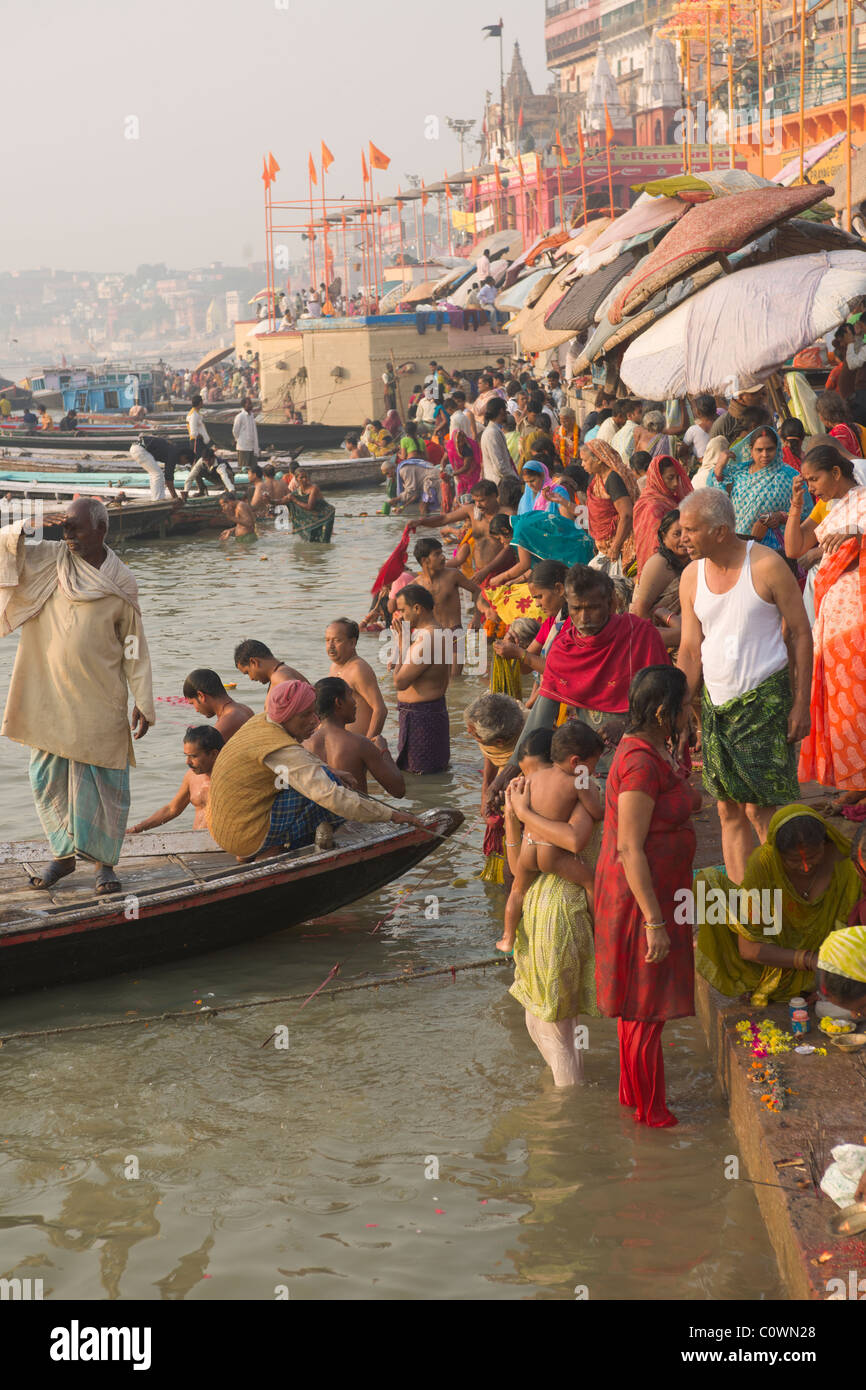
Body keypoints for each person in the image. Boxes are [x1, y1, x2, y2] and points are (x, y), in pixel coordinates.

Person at [0, 497, 154, 895]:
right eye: (64, 529)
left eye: (76, 529)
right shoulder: (50, 559)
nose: (69, 537)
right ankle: (63, 857)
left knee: (105, 784)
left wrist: (143, 699)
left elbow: (133, 645)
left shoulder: (121, 581)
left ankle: (105, 866)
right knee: (46, 779)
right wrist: (34, 522)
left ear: (101, 530)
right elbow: (3, 548)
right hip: (47, 693)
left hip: (100, 698)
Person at [677, 488, 813, 884]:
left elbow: (801, 634)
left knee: (764, 811)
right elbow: (689, 647)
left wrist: (800, 704)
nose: (682, 537)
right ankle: (746, 907)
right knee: (727, 811)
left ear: (720, 532)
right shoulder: (691, 576)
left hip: (766, 702)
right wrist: (683, 708)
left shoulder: (767, 565)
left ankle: (784, 898)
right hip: (716, 707)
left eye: (690, 530)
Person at [593, 666, 700, 1126]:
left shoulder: (655, 750)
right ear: (662, 712)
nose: (689, 714)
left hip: (659, 895)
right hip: (641, 901)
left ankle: (635, 1098)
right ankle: (651, 1116)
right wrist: (655, 921)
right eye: (684, 708)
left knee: (640, 1009)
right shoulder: (638, 763)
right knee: (644, 1010)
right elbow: (628, 847)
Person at [207, 679, 422, 859]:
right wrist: (392, 815)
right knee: (330, 792)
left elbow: (300, 761)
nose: (314, 721)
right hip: (244, 835)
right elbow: (332, 797)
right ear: (288, 716)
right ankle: (272, 851)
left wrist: (326, 768)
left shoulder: (261, 721)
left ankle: (265, 847)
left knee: (325, 777)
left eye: (314, 713)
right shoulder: (284, 749)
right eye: (306, 715)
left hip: (225, 827)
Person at [504, 735, 603, 1089]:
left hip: (560, 912)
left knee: (554, 1022)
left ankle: (566, 1113)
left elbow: (576, 841)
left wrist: (524, 812)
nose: (526, 779)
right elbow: (518, 871)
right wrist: (510, 820)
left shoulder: (574, 793)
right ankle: (568, 1102)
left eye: (531, 770)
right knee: (549, 1019)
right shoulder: (559, 791)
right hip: (541, 913)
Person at [695, 806, 862, 1007]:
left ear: (825, 843)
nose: (806, 867)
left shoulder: (845, 862)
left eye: (813, 857)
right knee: (707, 883)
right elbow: (748, 948)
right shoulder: (764, 864)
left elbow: (853, 932)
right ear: (777, 854)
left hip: (833, 959)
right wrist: (812, 961)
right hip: (783, 957)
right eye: (793, 860)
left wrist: (833, 974)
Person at [793, 449, 866, 810]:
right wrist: (794, 507)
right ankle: (854, 780)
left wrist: (857, 532)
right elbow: (795, 547)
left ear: (836, 472)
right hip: (834, 615)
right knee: (843, 700)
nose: (811, 488)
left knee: (856, 699)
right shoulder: (838, 507)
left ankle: (859, 782)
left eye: (814, 479)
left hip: (858, 618)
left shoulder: (862, 503)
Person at [499, 720, 603, 955]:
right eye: (592, 764)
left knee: (516, 890)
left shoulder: (527, 786)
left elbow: (516, 870)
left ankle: (506, 938)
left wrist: (518, 813)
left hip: (529, 850)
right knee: (593, 883)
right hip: (550, 853)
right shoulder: (580, 782)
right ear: (576, 762)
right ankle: (599, 932)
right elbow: (583, 831)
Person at [707, 425, 809, 553]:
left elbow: (807, 515)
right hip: (738, 544)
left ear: (777, 449)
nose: (765, 455)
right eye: (759, 450)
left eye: (770, 449)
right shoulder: (738, 473)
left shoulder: (790, 476)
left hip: (775, 549)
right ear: (751, 450)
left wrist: (781, 517)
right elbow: (717, 501)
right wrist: (719, 469)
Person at [306, 677, 404, 798]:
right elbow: (398, 790)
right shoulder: (359, 743)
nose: (355, 702)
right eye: (350, 696)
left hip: (320, 816)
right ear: (339, 703)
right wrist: (383, 750)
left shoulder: (304, 744)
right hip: (356, 815)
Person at [391, 584, 451, 774]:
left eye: (402, 610)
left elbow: (399, 682)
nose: (400, 616)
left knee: (420, 776)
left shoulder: (430, 638)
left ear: (417, 608)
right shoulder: (436, 633)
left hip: (422, 718)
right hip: (426, 714)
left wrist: (401, 645)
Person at [130, 725, 223, 833]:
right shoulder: (191, 777)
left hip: (223, 845)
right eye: (186, 756)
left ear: (213, 754)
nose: (187, 762)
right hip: (196, 841)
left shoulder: (231, 780)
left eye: (194, 756)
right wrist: (138, 828)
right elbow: (172, 809)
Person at [630, 510, 690, 653]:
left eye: (688, 533)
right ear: (663, 537)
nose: (684, 539)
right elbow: (640, 609)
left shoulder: (692, 561)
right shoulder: (660, 564)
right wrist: (654, 646)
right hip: (658, 639)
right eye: (677, 534)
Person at [412, 536, 480, 657]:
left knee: (454, 676)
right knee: (433, 676)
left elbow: (478, 591)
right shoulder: (415, 586)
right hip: (429, 636)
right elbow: (406, 616)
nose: (443, 557)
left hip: (454, 632)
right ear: (425, 561)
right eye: (437, 554)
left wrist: (476, 617)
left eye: (442, 553)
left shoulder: (453, 575)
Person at [324, 618, 387, 737]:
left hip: (359, 744)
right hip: (341, 743)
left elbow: (380, 710)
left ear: (352, 643)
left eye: (337, 640)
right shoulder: (334, 667)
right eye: (327, 640)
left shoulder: (358, 669)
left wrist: (369, 743)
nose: (330, 646)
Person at [582, 438, 638, 570]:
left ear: (599, 459)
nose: (582, 465)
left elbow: (627, 515)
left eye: (585, 460)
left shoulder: (613, 479)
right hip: (607, 546)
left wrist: (616, 546)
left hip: (621, 545)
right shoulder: (597, 478)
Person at [633, 454, 693, 577]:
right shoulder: (652, 506)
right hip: (661, 569)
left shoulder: (672, 499)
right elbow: (654, 544)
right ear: (658, 478)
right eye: (670, 478)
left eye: (677, 477)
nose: (676, 483)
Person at [182, 668, 254, 740]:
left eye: (193, 703)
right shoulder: (244, 709)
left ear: (201, 696)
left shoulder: (226, 723)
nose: (196, 710)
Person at [234, 639, 307, 709]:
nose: (251, 678)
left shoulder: (280, 678)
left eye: (248, 672)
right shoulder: (284, 672)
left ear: (254, 662)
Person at [132, 435, 191, 501]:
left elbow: (168, 476)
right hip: (140, 449)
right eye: (186, 462)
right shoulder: (174, 454)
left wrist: (174, 496)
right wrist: (175, 496)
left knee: (155, 474)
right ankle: (158, 499)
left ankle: (156, 497)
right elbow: (169, 478)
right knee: (158, 474)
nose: (184, 464)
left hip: (137, 448)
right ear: (184, 456)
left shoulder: (173, 451)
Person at [480, 397, 517, 483]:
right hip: (499, 483)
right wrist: (515, 478)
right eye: (505, 410)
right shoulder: (491, 432)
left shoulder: (495, 430)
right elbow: (499, 466)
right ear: (501, 411)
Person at [683, 395, 717, 463]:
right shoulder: (722, 426)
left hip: (702, 465)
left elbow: (682, 451)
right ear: (715, 410)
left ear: (698, 412)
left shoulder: (693, 430)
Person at [232, 396, 259, 476]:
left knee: (253, 469)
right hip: (243, 447)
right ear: (244, 405)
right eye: (249, 403)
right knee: (243, 470)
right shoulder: (240, 416)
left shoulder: (251, 416)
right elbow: (235, 431)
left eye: (251, 403)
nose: (251, 405)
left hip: (252, 446)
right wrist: (238, 439)